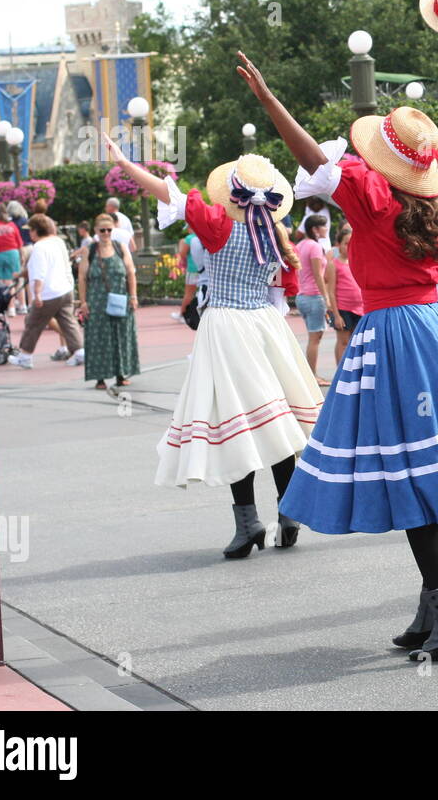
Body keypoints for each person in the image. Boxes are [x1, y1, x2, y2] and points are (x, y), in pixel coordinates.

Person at [238, 50, 438, 661]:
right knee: (426, 464)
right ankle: (432, 603)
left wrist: (271, 103)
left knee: (409, 469)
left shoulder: (372, 199)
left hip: (395, 333)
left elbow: (313, 160)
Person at [104, 131, 323, 559]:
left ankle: (248, 524)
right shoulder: (278, 236)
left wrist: (125, 164)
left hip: (225, 326)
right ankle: (290, 513)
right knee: (277, 424)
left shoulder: (218, 224)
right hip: (266, 326)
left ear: (232, 193)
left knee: (232, 423)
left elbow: (166, 189)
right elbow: (288, 288)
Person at [77, 213, 141, 390]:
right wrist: (83, 302)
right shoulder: (89, 250)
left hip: (120, 297)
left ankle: (122, 374)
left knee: (121, 335)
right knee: (99, 337)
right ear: (96, 231)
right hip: (96, 300)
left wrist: (133, 296)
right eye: (102, 230)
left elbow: (130, 273)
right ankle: (100, 378)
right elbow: (82, 278)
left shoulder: (120, 247)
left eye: (109, 230)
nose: (106, 233)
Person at [13, 215, 84, 369]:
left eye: (31, 230)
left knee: (32, 324)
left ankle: (25, 355)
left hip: (48, 293)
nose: (30, 234)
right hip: (65, 289)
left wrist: (37, 293)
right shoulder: (58, 241)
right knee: (68, 322)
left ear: (37, 230)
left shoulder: (39, 247)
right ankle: (79, 351)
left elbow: (39, 272)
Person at [295, 213, 335, 386]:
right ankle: (312, 376)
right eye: (324, 226)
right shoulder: (315, 247)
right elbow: (318, 274)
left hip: (302, 295)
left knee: (313, 337)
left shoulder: (301, 244)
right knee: (315, 338)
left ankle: (311, 374)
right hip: (313, 296)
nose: (326, 229)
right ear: (315, 229)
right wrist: (326, 298)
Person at [325, 222, 364, 367]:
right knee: (343, 341)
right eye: (346, 244)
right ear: (339, 245)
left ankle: (353, 370)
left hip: (360, 309)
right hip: (343, 309)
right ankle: (341, 372)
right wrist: (336, 314)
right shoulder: (333, 264)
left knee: (356, 342)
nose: (349, 247)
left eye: (352, 243)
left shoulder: (358, 262)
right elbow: (331, 291)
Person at [0, 205, 23, 313]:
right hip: (12, 253)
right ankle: (11, 307)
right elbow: (19, 242)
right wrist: (22, 255)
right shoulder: (12, 225)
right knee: (9, 281)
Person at [171, 231, 204, 323]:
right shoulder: (204, 234)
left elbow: (182, 254)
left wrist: (181, 243)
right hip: (204, 269)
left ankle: (183, 315)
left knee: (189, 294)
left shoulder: (190, 238)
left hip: (193, 269)